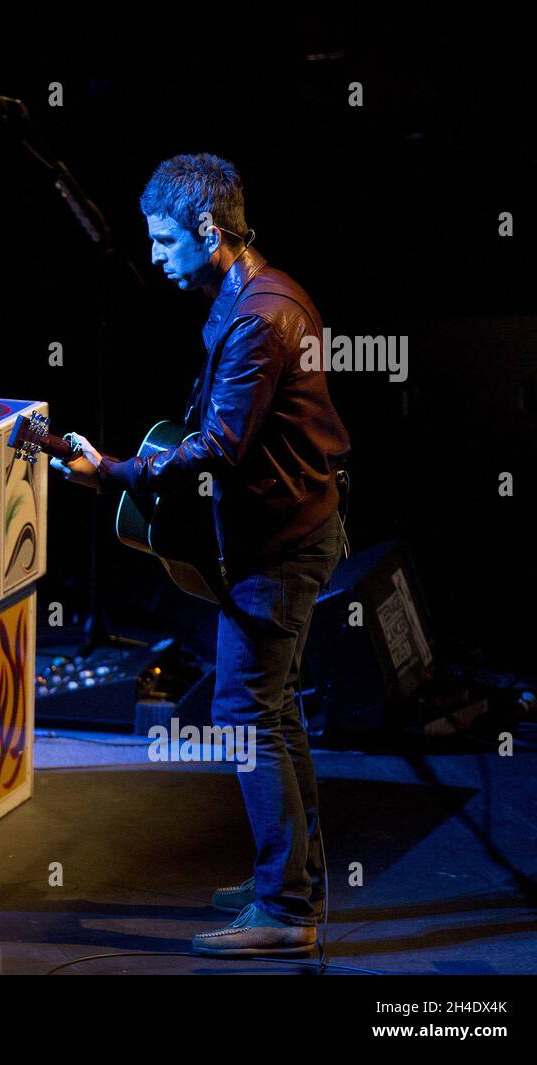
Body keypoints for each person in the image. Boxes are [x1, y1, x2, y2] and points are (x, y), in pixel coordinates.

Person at [58, 154, 351, 956]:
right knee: (274, 710)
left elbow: (220, 447)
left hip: (281, 550)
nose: (153, 256)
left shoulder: (260, 316)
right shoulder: (251, 295)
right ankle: (287, 879)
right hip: (288, 535)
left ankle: (287, 909)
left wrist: (114, 471)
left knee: (247, 715)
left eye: (162, 241)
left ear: (208, 231)